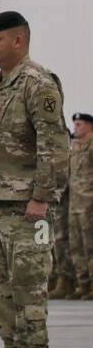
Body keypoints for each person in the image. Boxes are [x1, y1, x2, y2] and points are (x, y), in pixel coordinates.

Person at [0, 11, 69, 348]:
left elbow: (54, 144)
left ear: (18, 41)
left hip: (28, 207)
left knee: (28, 282)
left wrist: (41, 197)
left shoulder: (38, 83)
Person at [67, 113, 93, 300]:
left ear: (90, 126)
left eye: (79, 124)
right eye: (74, 125)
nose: (75, 128)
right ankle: (82, 284)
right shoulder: (74, 147)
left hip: (89, 204)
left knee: (90, 246)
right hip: (74, 203)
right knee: (76, 246)